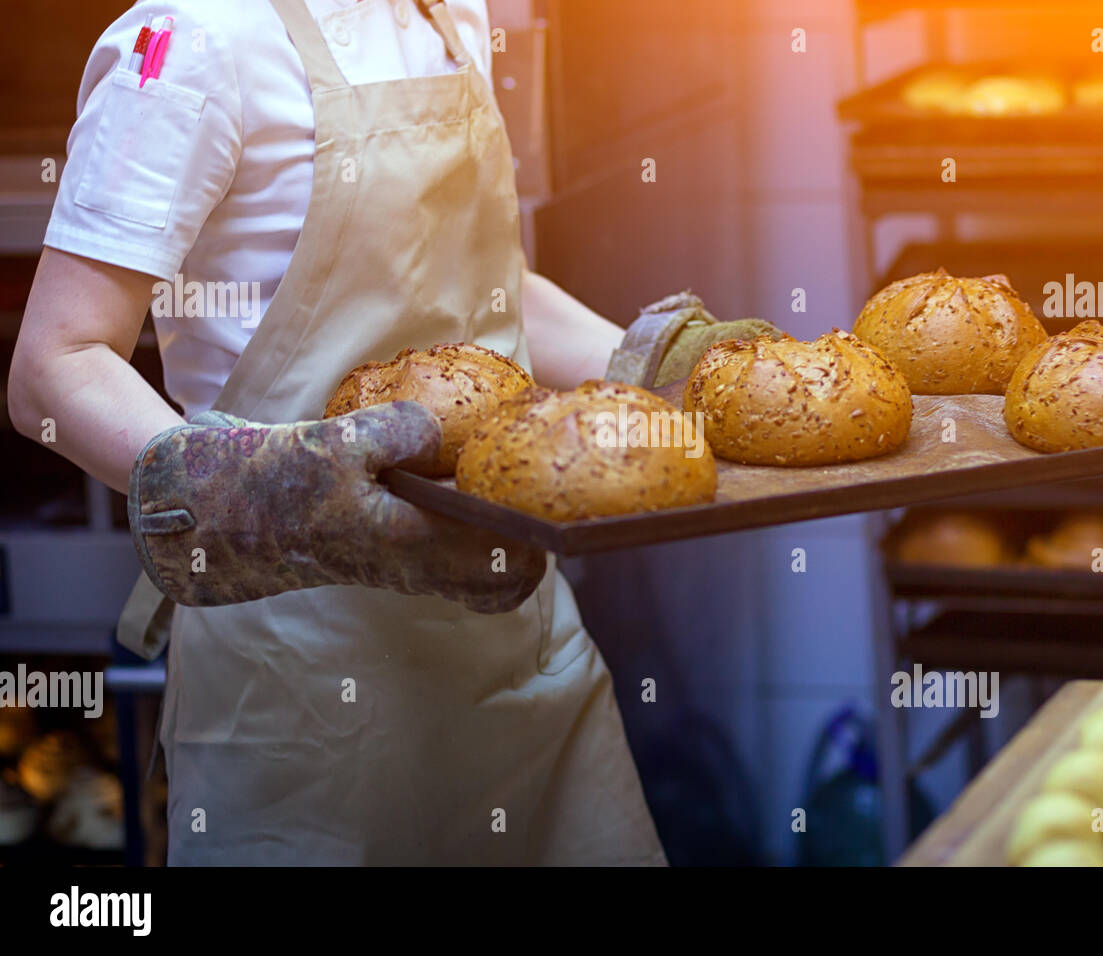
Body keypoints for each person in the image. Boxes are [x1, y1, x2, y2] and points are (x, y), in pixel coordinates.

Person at [10, 0, 772, 865]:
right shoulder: (196, 38)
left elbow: (493, 292)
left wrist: (669, 373)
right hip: (300, 697)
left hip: (517, 655)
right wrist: (265, 496)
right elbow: (54, 364)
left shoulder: (452, 12)